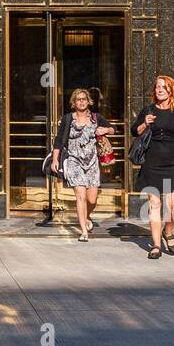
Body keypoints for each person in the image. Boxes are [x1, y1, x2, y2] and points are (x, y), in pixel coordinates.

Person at [131, 75, 174, 259]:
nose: (159, 90)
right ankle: (156, 245)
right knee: (155, 204)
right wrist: (144, 123)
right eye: (157, 87)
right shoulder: (148, 109)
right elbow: (134, 131)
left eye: (164, 87)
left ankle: (168, 231)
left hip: (173, 161)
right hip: (152, 161)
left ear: (171, 90)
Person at [51, 88, 115, 242]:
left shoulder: (95, 117)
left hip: (92, 163)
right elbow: (59, 141)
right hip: (74, 162)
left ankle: (86, 216)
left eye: (84, 99)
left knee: (92, 200)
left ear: (88, 101)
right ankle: (84, 231)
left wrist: (105, 129)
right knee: (81, 196)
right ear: (74, 102)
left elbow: (113, 129)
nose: (81, 102)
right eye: (78, 99)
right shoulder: (67, 119)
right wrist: (55, 159)